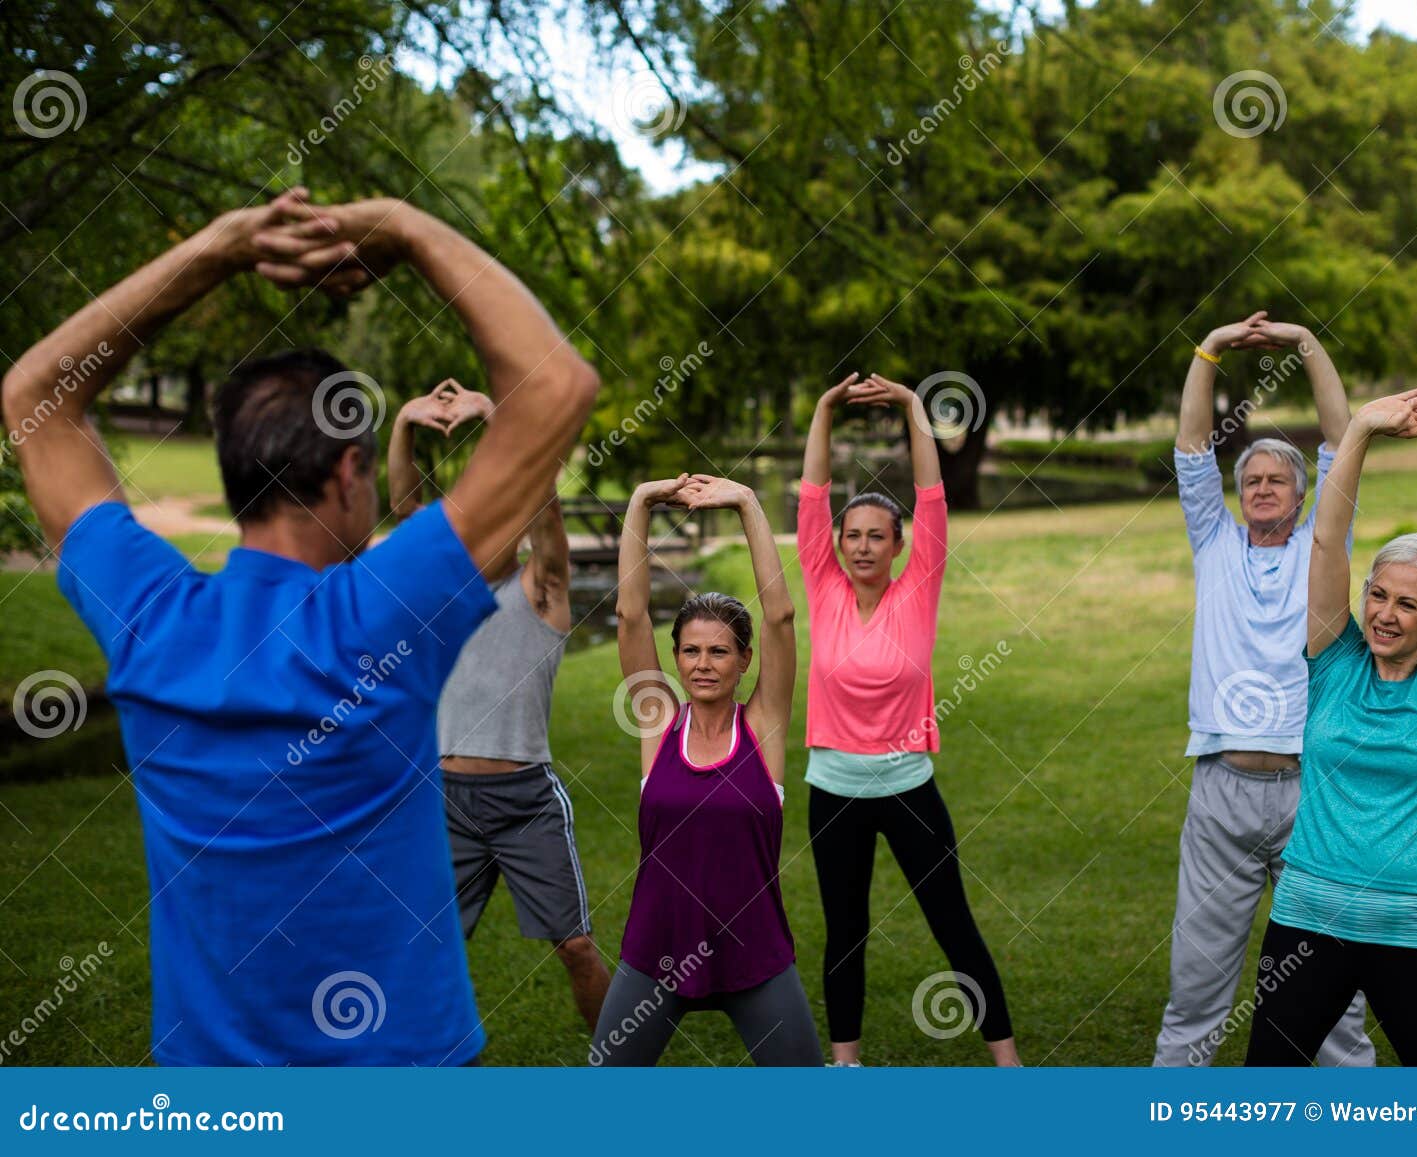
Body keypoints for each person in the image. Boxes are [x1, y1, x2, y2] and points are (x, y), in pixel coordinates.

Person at [1, 188, 598, 1065]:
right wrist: (402, 224)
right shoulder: (383, 614)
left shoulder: (151, 620)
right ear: (351, 469)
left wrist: (222, 244)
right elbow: (556, 383)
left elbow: (32, 393)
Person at [1245, 383, 1417, 1067]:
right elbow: (1327, 541)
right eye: (1377, 594)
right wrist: (1359, 429)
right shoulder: (1333, 662)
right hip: (1307, 921)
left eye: (1407, 603)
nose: (1384, 613)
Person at [1153, 313, 1376, 1067]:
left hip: (1312, 790)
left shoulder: (1325, 542)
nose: (1263, 488)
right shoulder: (1212, 539)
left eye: (1278, 478)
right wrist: (1211, 346)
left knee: (1335, 999)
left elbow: (1345, 443)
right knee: (1196, 987)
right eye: (1251, 479)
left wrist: (1306, 342)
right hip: (1222, 787)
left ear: (1304, 491)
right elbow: (1190, 448)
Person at [799, 372, 1018, 1066]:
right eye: (852, 535)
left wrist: (913, 406)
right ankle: (845, 1063)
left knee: (954, 926)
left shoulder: (917, 589)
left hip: (908, 788)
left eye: (877, 536)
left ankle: (1010, 1064)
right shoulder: (823, 585)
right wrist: (826, 408)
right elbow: (812, 495)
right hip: (833, 790)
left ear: (899, 547)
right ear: (838, 543)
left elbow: (931, 496)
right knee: (846, 932)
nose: (862, 546)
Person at [388, 378, 610, 1032]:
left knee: (574, 945)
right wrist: (404, 419)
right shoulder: (439, 588)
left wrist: (502, 421)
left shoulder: (541, 588)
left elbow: (548, 521)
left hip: (525, 800)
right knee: (419, 948)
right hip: (444, 799)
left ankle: (625, 1072)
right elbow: (406, 507)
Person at [588, 473, 823, 1067]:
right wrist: (640, 500)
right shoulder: (658, 724)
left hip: (754, 952)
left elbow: (781, 618)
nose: (703, 664)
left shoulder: (763, 726)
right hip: (658, 950)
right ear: (675, 658)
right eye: (690, 651)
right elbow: (631, 614)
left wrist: (747, 502)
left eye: (719, 651)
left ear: (744, 660)